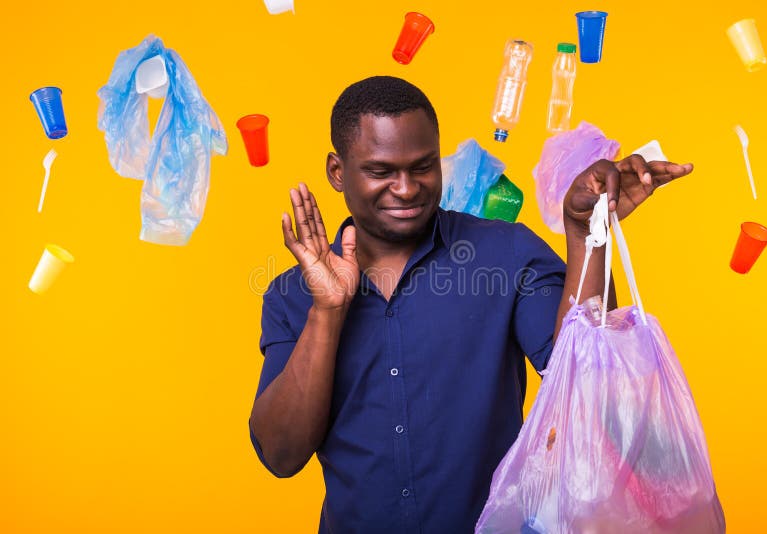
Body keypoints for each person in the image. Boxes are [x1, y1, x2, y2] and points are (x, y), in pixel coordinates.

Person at [248, 76, 693, 533]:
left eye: (422, 167)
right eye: (382, 171)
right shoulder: (291, 295)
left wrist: (585, 234)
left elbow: (585, 382)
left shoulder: (506, 254)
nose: (406, 189)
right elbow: (281, 454)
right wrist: (327, 311)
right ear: (337, 172)